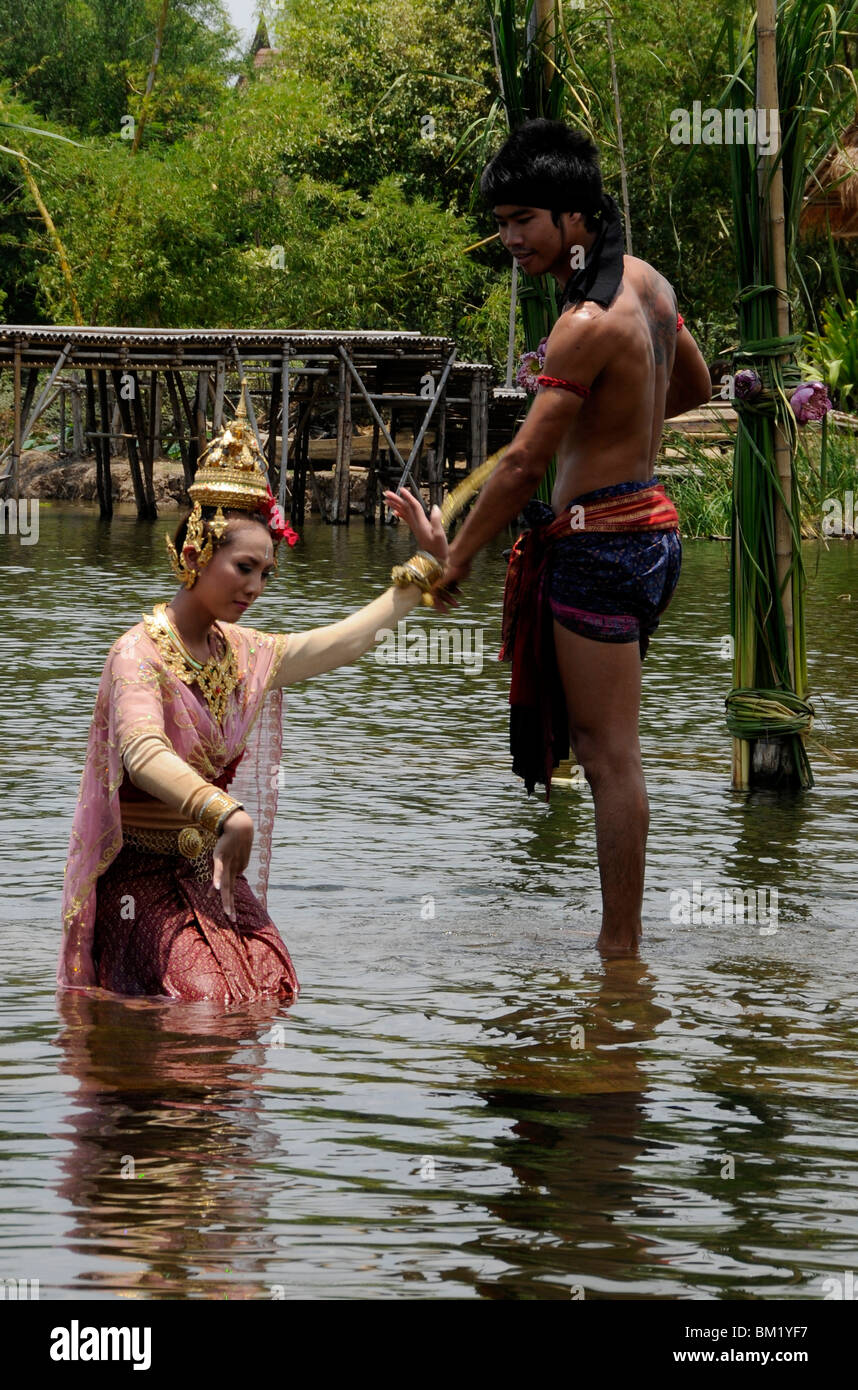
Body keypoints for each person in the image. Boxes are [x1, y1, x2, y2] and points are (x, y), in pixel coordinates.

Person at [58, 394, 447, 1004]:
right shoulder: (139, 653)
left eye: (266, 573)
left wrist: (421, 569)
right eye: (243, 567)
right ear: (194, 554)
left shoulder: (243, 651)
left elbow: (336, 645)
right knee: (210, 1002)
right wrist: (223, 813)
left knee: (272, 987)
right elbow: (141, 752)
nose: (255, 587)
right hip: (139, 878)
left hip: (208, 871)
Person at [434, 120, 712, 958]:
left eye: (525, 218)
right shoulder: (650, 286)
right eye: (504, 219)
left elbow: (522, 466)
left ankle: (619, 953)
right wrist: (620, 418)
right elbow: (693, 382)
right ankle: (618, 951)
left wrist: (458, 554)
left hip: (600, 546)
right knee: (609, 752)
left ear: (575, 217)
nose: (510, 236)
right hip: (650, 531)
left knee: (606, 758)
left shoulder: (584, 321)